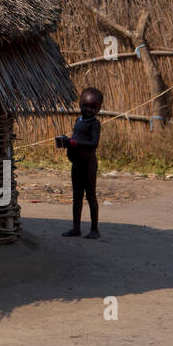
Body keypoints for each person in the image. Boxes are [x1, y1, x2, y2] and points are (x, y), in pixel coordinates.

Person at [58, 87, 102, 239]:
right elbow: (76, 139)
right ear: (79, 104)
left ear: (99, 108)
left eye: (92, 107)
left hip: (88, 165)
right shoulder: (78, 121)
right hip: (76, 163)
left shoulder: (95, 124)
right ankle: (76, 228)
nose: (88, 109)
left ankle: (94, 229)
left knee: (90, 196)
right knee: (77, 197)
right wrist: (66, 142)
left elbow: (93, 144)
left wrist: (74, 143)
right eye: (85, 106)